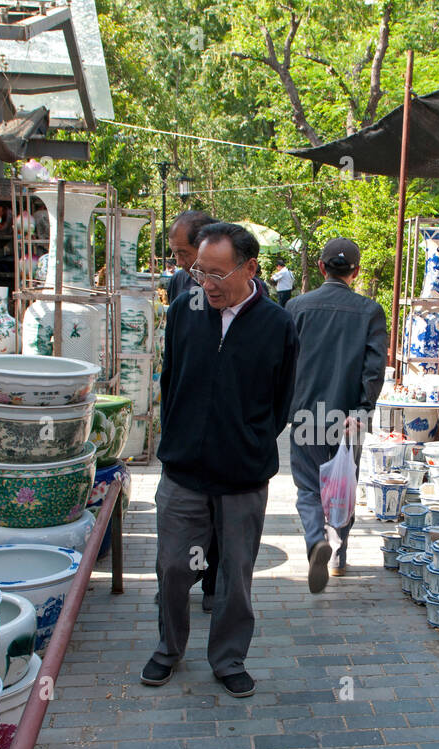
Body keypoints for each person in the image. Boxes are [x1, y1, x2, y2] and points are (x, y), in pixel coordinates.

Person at [143, 222, 299, 698]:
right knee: (172, 566)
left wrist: (248, 442)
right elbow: (170, 381)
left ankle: (229, 658)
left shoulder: (277, 324)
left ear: (249, 267)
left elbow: (282, 401)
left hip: (242, 476)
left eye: (216, 273)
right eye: (197, 272)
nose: (205, 284)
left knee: (235, 575)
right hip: (183, 471)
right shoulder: (184, 311)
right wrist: (180, 437)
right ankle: (169, 648)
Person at [286, 237, 388, 591]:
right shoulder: (370, 311)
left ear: (321, 267)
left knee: (308, 488)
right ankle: (339, 557)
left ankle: (316, 540)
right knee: (342, 486)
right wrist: (363, 409)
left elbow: (281, 364)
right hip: (349, 419)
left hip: (305, 417)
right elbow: (374, 369)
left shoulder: (296, 307)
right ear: (356, 271)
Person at [161, 209, 221, 610]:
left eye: (183, 252)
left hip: (224, 427)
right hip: (185, 427)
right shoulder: (180, 283)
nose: (179, 260)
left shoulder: (245, 289)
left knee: (219, 515)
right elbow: (172, 361)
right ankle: (175, 584)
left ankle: (213, 585)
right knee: (182, 516)